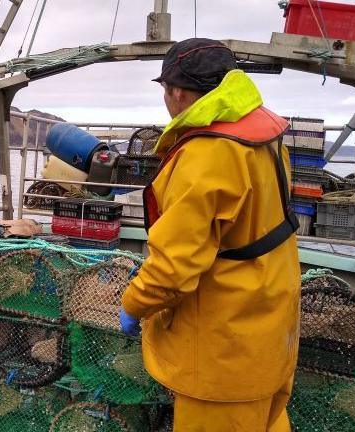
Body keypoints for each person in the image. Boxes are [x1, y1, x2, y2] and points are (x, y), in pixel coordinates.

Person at [118, 38, 301, 431]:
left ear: (177, 92)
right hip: (271, 332)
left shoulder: (206, 155)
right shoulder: (267, 139)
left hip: (223, 355)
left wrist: (134, 305)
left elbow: (173, 269)